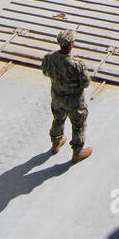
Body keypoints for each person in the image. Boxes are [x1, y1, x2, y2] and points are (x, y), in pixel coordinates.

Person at [41, 28, 92, 163]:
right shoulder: (77, 64)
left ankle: (56, 144)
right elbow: (86, 83)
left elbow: (45, 73)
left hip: (57, 97)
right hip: (74, 101)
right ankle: (77, 153)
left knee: (58, 119)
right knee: (78, 125)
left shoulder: (49, 58)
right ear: (71, 44)